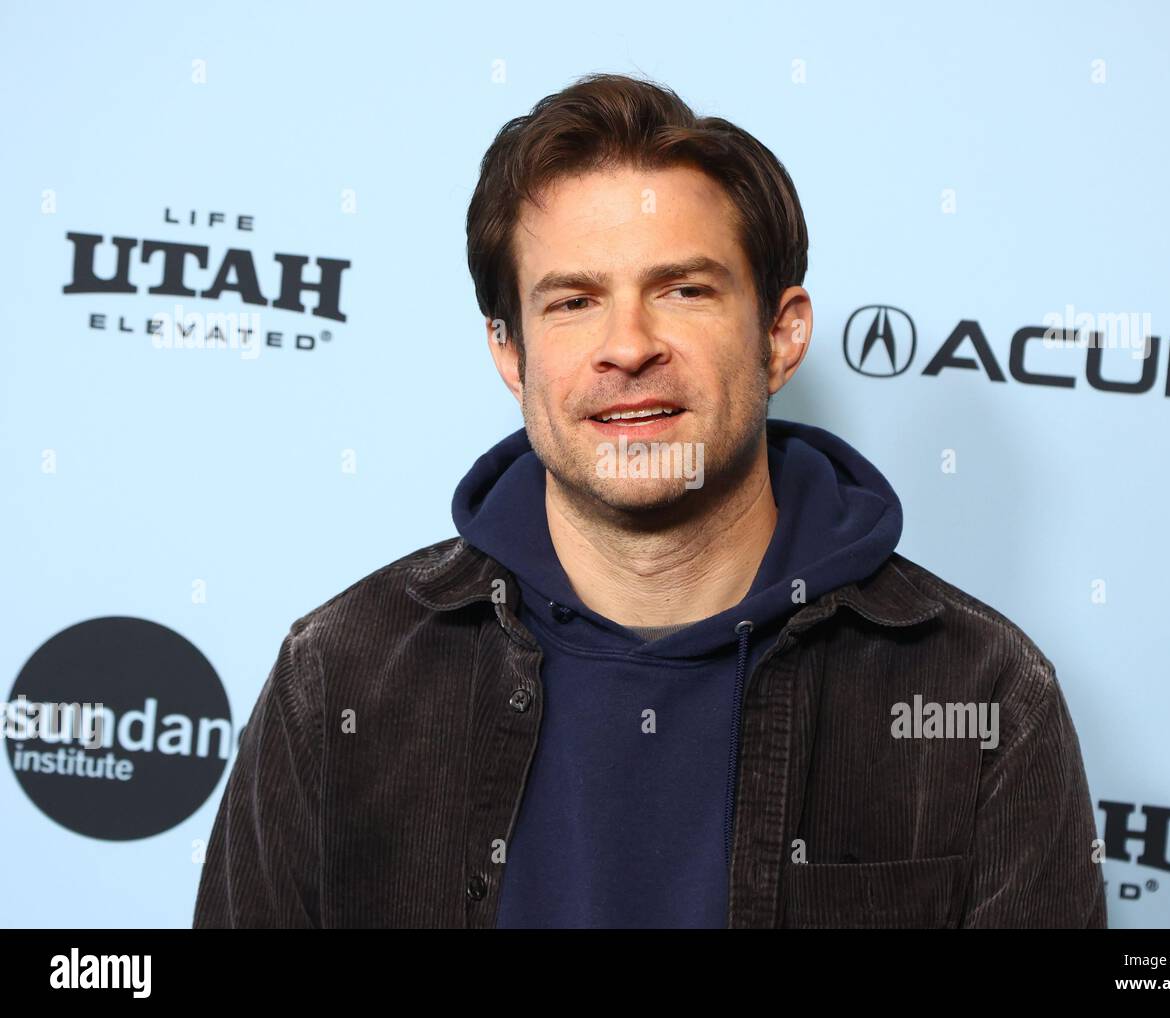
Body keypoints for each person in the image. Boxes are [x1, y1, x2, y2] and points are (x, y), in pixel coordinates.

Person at [193, 72, 1106, 929]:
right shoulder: (343, 674)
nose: (627, 346)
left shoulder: (981, 691)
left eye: (683, 289)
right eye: (573, 301)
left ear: (780, 337)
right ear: (509, 354)